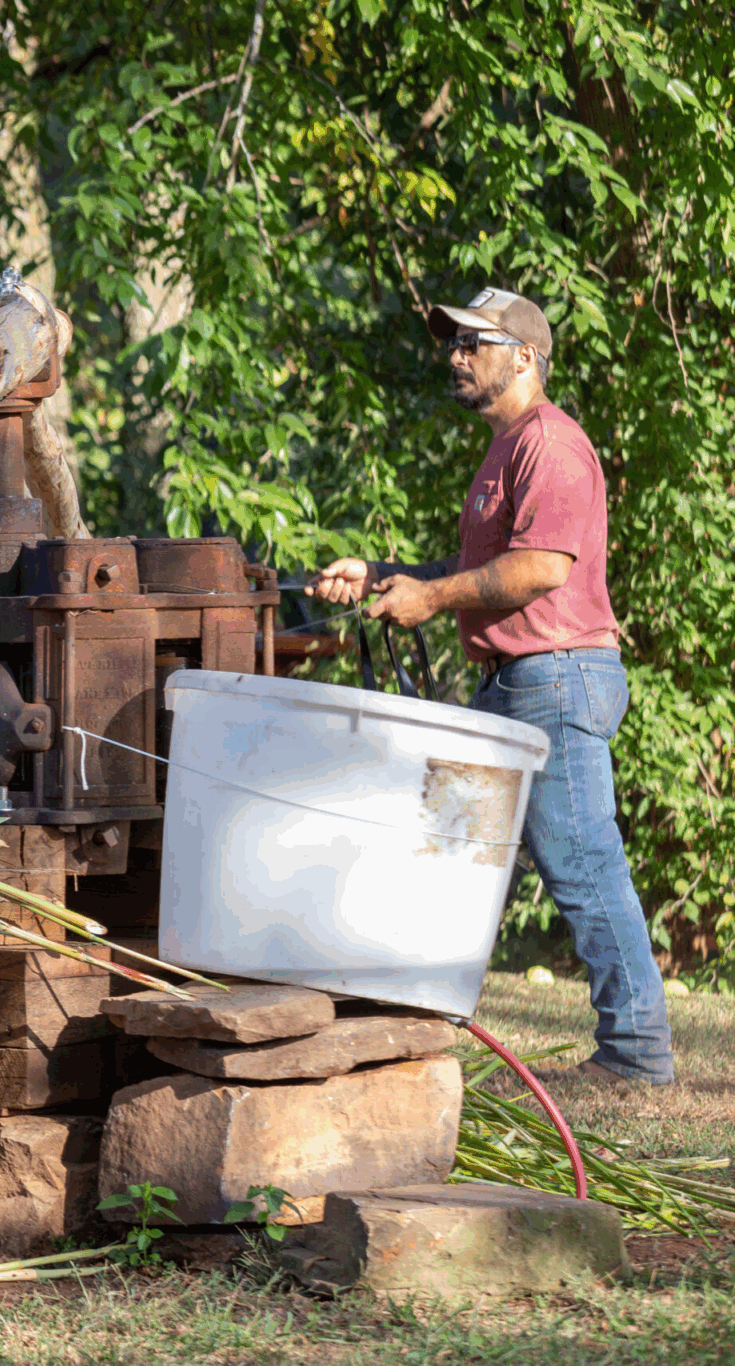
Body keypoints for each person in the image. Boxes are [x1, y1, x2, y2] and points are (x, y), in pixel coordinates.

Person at [307, 288, 674, 1086]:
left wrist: (433, 600)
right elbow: (480, 569)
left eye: (474, 342)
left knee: (582, 863)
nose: (457, 355)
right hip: (515, 684)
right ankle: (408, 1027)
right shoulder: (507, 449)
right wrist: (384, 575)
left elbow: (540, 569)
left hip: (556, 680)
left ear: (525, 358)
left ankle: (638, 1052)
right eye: (455, 342)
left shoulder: (552, 443)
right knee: (451, 858)